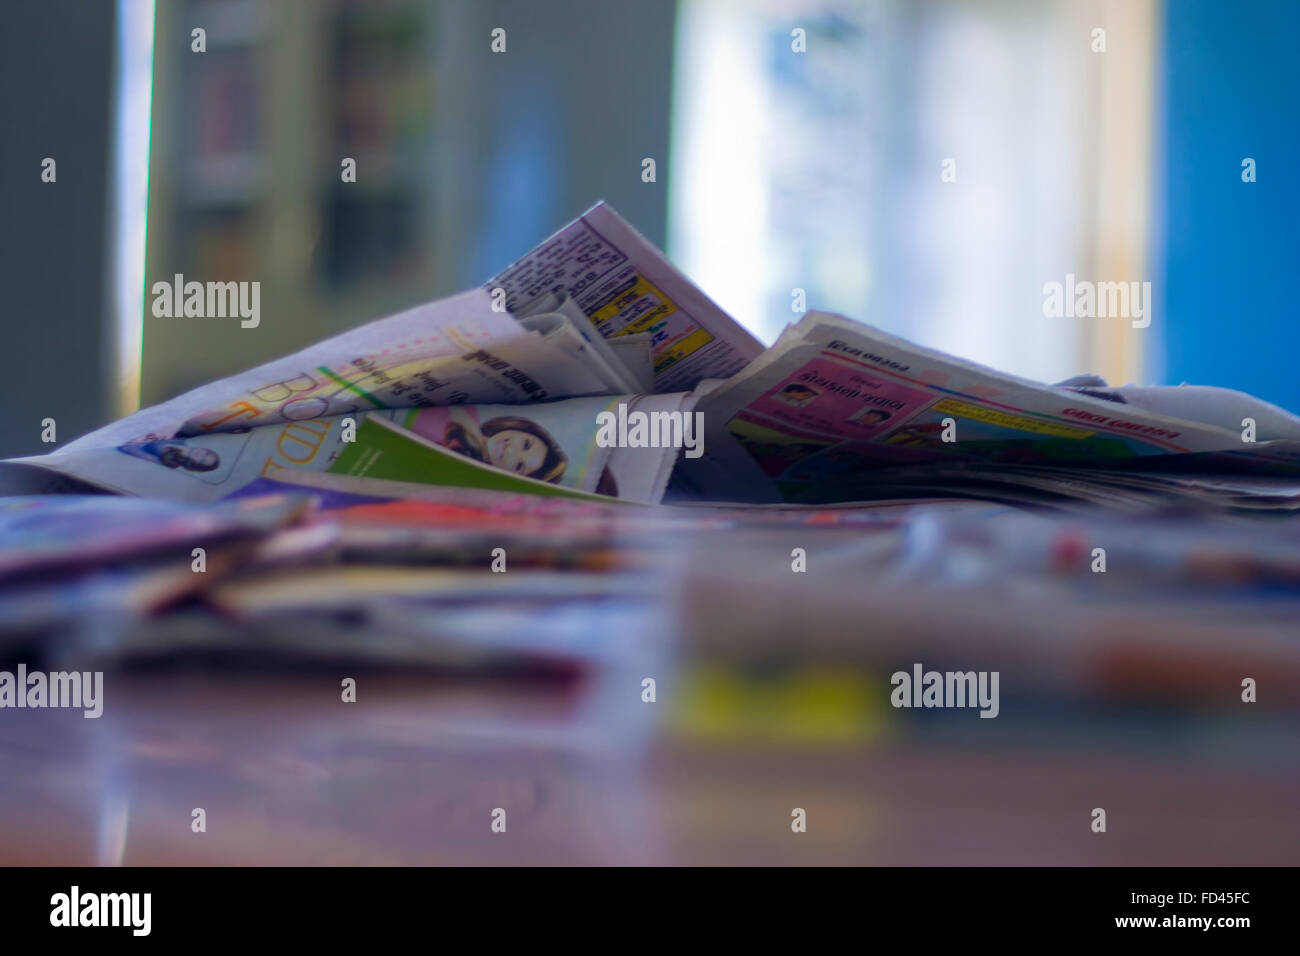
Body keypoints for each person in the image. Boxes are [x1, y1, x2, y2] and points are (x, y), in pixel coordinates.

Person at [117, 440, 221, 472]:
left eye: (202, 460)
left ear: (196, 464)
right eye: (207, 453)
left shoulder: (170, 463)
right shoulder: (183, 442)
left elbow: (130, 450)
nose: (201, 454)